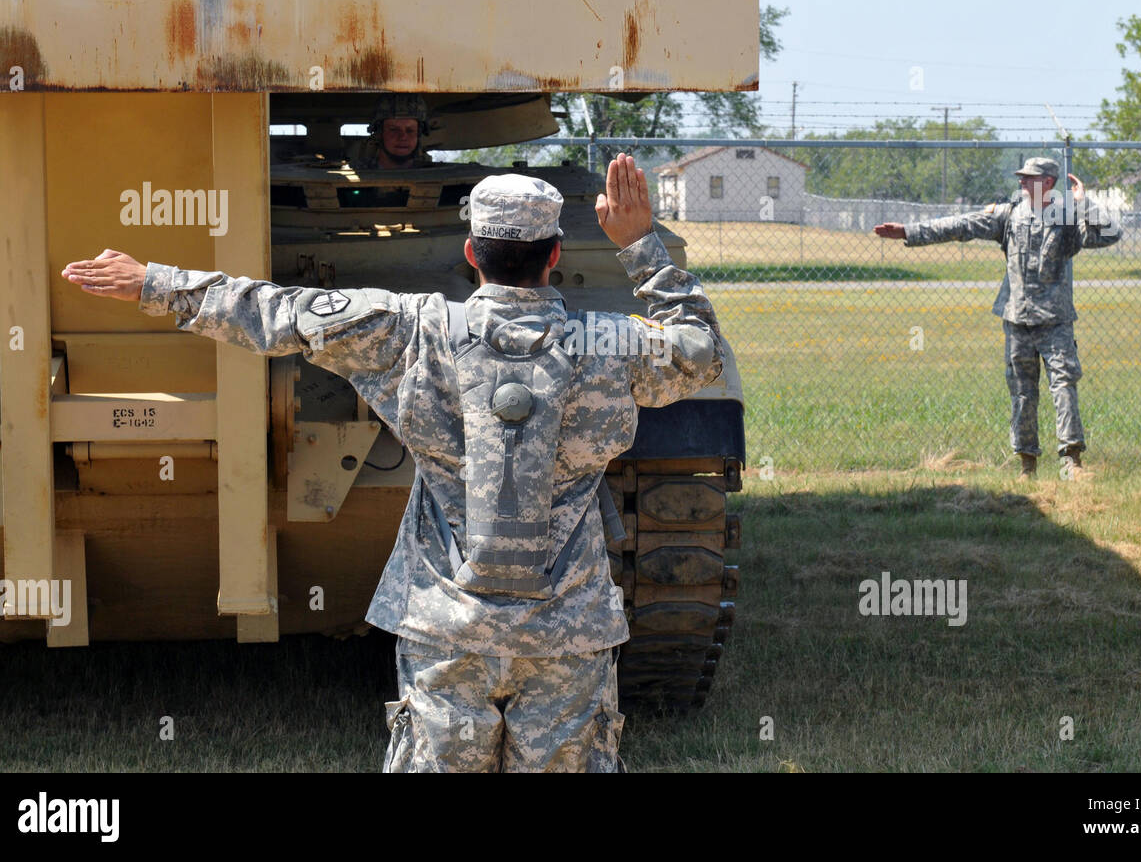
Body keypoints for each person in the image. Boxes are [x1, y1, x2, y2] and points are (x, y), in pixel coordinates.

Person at [60, 154, 724, 771]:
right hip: (568, 633)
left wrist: (154, 283)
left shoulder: (408, 329)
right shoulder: (612, 344)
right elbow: (700, 348)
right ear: (555, 254)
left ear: (470, 253)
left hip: (446, 630)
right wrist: (640, 246)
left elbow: (276, 312)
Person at [873, 157, 1121, 478]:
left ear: (1047, 182)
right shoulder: (1009, 214)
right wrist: (910, 231)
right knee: (1021, 392)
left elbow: (1110, 234)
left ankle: (1071, 462)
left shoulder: (1066, 216)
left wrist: (1083, 203)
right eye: (1020, 177)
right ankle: (1027, 464)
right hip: (1017, 320)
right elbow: (962, 225)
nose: (1020, 182)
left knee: (1064, 386)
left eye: (1028, 178)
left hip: (1055, 321)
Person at [358, 93, 431, 169]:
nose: (403, 137)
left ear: (418, 133)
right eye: (393, 129)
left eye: (410, 130)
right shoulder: (354, 173)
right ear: (380, 133)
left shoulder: (433, 173)